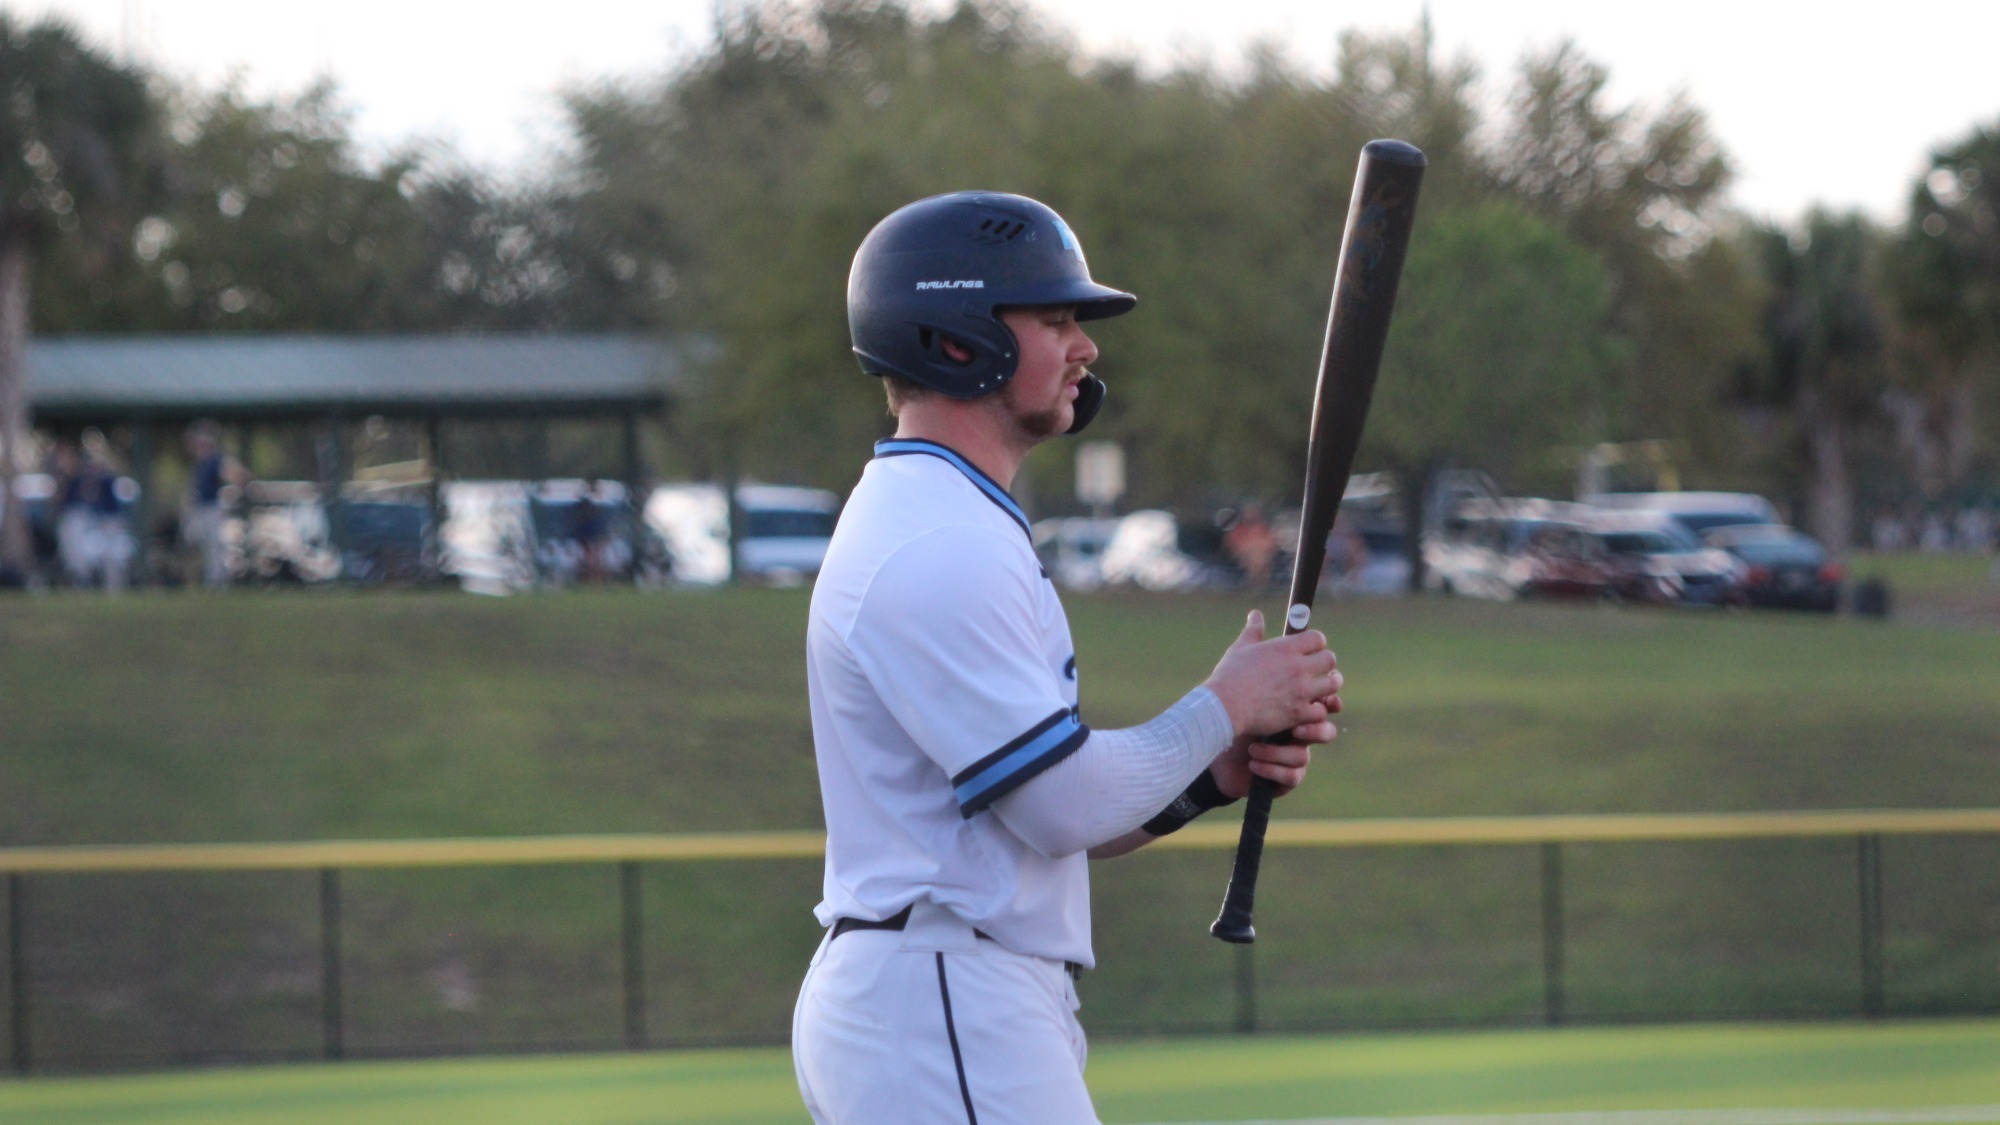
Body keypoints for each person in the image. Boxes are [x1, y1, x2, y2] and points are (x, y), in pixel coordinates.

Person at [792, 192, 1344, 1125]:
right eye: (1054, 320)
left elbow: (1051, 822)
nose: (1084, 347)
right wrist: (1225, 702)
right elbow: (1060, 806)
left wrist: (1213, 771)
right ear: (957, 340)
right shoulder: (938, 542)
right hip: (944, 993)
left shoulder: (946, 518)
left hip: (950, 992)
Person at [183, 424, 248, 588]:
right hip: (201, 509)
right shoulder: (200, 464)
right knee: (200, 542)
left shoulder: (215, 460)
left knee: (215, 544)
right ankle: (211, 577)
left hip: (213, 507)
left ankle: (218, 579)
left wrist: (235, 489)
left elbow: (236, 474)